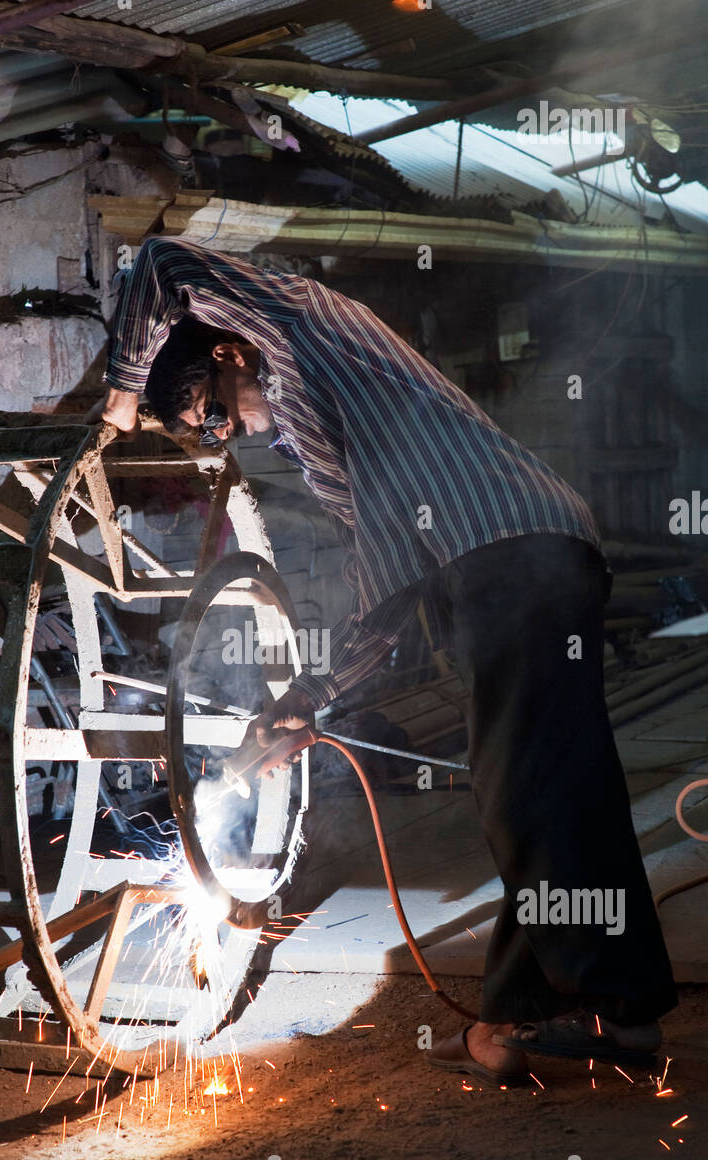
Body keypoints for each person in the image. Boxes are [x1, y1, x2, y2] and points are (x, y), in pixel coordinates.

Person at [100, 235, 678, 1086]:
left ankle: (581, 1010)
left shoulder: (301, 328)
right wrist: (311, 701)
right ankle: (545, 1018)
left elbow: (159, 263)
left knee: (531, 794)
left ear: (229, 354)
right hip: (513, 561)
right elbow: (390, 596)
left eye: (211, 414)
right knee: (550, 788)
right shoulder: (321, 437)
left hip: (510, 553)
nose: (225, 435)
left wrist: (118, 391)